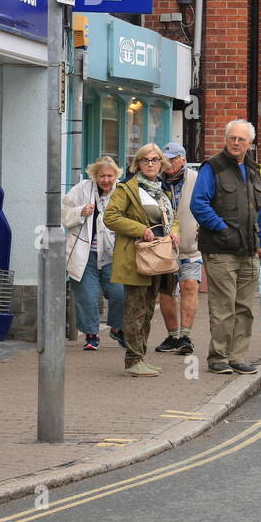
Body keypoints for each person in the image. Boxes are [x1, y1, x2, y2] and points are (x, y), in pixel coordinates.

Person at [190, 119, 261, 375]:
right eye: (232, 138)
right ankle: (219, 358)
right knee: (223, 307)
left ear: (250, 143)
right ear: (226, 139)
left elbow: (258, 210)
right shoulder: (212, 167)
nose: (236, 143)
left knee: (244, 308)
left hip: (249, 250)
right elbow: (199, 204)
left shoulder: (254, 171)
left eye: (241, 139)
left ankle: (237, 357)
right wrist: (223, 229)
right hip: (220, 250)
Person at [104, 143, 179, 377]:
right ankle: (133, 360)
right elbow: (111, 217)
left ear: (161, 164)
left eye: (155, 160)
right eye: (145, 160)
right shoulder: (126, 188)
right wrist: (139, 229)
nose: (150, 164)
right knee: (135, 310)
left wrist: (174, 230)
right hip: (136, 257)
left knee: (147, 310)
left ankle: (140, 358)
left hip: (159, 256)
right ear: (137, 163)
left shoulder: (162, 188)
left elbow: (171, 217)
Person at [62, 156, 126, 351]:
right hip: (86, 253)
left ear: (116, 175)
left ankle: (116, 328)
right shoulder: (82, 189)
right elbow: (62, 212)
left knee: (119, 293)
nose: (106, 180)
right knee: (87, 296)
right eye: (101, 176)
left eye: (110, 175)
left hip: (114, 254)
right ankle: (91, 335)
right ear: (94, 175)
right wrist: (81, 211)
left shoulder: (123, 192)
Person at [155, 143, 202, 356]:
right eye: (166, 159)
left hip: (191, 247)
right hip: (163, 248)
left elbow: (210, 202)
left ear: (183, 159)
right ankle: (172, 336)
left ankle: (185, 336)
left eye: (174, 159)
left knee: (190, 285)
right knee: (165, 292)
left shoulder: (197, 179)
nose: (169, 163)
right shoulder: (155, 182)